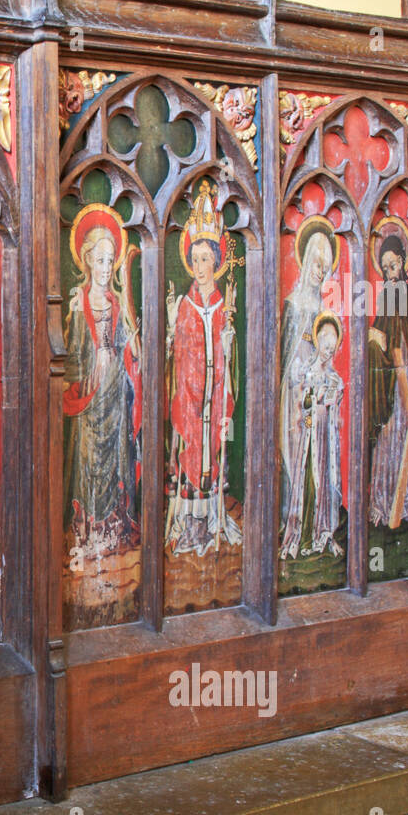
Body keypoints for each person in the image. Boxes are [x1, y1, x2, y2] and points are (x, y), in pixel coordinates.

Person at [165, 179, 242, 557]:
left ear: (216, 260)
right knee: (192, 452)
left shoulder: (223, 307)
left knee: (212, 453)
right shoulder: (185, 304)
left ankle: (211, 521)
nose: (199, 267)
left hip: (215, 396)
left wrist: (227, 342)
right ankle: (189, 525)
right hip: (191, 398)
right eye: (194, 260)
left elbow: (232, 358)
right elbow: (180, 350)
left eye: (205, 259)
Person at [63, 206, 140, 552]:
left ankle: (113, 522)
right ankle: (90, 525)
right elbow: (74, 351)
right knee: (90, 459)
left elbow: (132, 349)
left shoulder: (119, 301)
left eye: (111, 262)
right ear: (87, 262)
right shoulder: (79, 301)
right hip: (91, 394)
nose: (106, 269)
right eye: (100, 261)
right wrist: (88, 370)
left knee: (115, 457)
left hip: (116, 391)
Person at [367, 219, 408, 529]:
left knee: (407, 432)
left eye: (393, 266)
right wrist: (374, 339)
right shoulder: (385, 297)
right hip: (389, 376)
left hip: (407, 370)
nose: (389, 273)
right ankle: (384, 501)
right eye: (385, 268)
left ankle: (407, 503)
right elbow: (379, 329)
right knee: (387, 436)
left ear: (402, 263)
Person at [279, 219, 338, 530]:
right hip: (294, 389)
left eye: (325, 267)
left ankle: (317, 524)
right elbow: (285, 354)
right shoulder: (292, 303)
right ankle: (290, 518)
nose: (320, 272)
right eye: (317, 264)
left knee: (319, 452)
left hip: (316, 389)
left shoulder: (324, 306)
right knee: (293, 450)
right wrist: (294, 378)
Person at [281, 313, 345, 559]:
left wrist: (327, 403)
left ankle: (322, 532)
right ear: (317, 342)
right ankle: (303, 534)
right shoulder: (307, 372)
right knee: (308, 484)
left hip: (325, 442)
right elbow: (305, 408)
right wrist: (313, 407)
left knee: (323, 484)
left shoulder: (334, 379)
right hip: (310, 441)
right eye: (325, 343)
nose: (329, 349)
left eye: (333, 345)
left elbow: (333, 410)